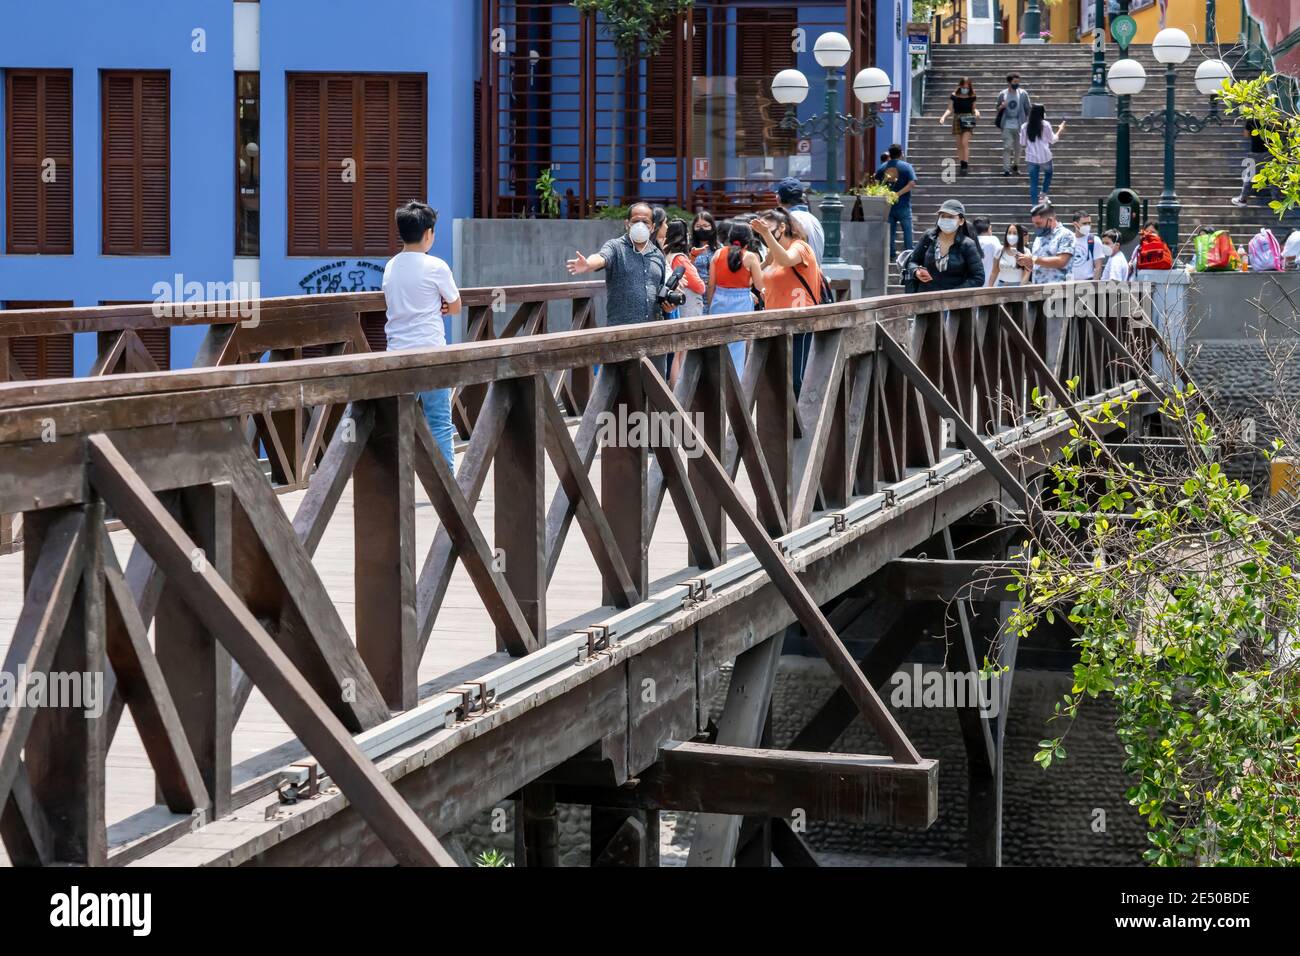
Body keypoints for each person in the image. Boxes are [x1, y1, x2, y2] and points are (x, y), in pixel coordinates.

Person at [382, 200, 462, 471]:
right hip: (431, 353)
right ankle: (447, 482)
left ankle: (395, 481)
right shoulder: (436, 266)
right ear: (428, 233)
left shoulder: (390, 266)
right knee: (439, 420)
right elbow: (455, 305)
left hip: (397, 354)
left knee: (399, 419)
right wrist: (440, 306)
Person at [566, 201, 669, 328]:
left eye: (645, 222)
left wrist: (668, 306)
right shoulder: (615, 247)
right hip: (620, 332)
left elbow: (661, 291)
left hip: (653, 331)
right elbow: (601, 257)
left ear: (653, 227)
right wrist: (588, 264)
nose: (640, 225)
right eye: (636, 221)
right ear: (627, 224)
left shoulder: (658, 255)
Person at [706, 220, 765, 373]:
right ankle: (735, 386)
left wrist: (711, 303)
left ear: (730, 237)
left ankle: (717, 382)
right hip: (741, 301)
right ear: (749, 240)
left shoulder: (718, 253)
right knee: (738, 347)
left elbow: (711, 284)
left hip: (719, 298)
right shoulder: (751, 257)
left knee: (717, 344)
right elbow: (760, 286)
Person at [907, 199, 985, 291]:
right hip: (925, 298)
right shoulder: (928, 237)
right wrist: (916, 271)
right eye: (942, 216)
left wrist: (954, 293)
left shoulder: (967, 244)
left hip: (954, 302)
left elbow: (978, 278)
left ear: (961, 221)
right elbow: (912, 262)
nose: (946, 219)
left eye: (951, 217)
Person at [753, 208, 823, 311]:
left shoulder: (800, 247)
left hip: (799, 318)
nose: (763, 232)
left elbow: (785, 260)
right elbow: (756, 281)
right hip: (775, 319)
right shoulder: (773, 253)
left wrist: (766, 233)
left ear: (782, 227)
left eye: (767, 227)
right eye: (761, 229)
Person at [1018, 200, 1075, 284]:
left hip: (1059, 291)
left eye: (1038, 223)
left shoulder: (1065, 235)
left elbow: (1061, 261)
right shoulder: (1039, 237)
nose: (1036, 226)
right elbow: (1037, 264)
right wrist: (1026, 262)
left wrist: (1033, 259)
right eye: (1034, 223)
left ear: (1050, 220)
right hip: (1038, 291)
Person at [875, 143, 916, 257]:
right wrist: (898, 194)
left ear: (890, 154)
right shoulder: (907, 166)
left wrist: (888, 194)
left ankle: (892, 255)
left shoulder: (882, 167)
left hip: (888, 205)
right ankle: (909, 255)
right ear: (901, 154)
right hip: (904, 205)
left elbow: (877, 184)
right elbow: (912, 183)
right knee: (907, 231)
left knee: (891, 232)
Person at [1021, 105, 1064, 207]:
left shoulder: (1024, 126)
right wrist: (1060, 130)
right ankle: (1043, 194)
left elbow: (1022, 142)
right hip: (1045, 156)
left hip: (1031, 157)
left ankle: (1035, 207)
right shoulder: (1045, 125)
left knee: (1033, 183)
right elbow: (1052, 140)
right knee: (1048, 174)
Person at [775, 177, 825, 262]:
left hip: (799, 273)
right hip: (813, 273)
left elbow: (782, 257)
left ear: (778, 198)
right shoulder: (814, 219)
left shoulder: (788, 220)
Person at [938, 77, 980, 175]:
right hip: (957, 118)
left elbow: (974, 108)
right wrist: (943, 117)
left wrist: (977, 112)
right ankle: (962, 164)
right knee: (959, 144)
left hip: (968, 118)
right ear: (960, 85)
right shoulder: (954, 95)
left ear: (969, 86)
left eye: (967, 86)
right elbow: (949, 109)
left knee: (964, 142)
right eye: (963, 85)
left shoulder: (972, 95)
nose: (965, 87)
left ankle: (965, 165)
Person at [1232, 118, 1274, 208]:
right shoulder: (1270, 117)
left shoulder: (1251, 120)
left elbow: (1246, 135)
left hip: (1256, 152)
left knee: (1250, 175)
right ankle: (1277, 201)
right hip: (1270, 152)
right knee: (1273, 177)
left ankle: (1242, 199)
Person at [996, 73, 1032, 176]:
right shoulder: (1003, 94)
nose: (1017, 84)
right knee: (1007, 147)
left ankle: (1015, 166)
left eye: (1018, 82)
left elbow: (1028, 109)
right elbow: (997, 108)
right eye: (1015, 82)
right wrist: (1002, 106)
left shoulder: (1023, 94)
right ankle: (1006, 169)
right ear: (1009, 82)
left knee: (1018, 148)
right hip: (1007, 123)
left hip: (1020, 124)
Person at [687, 211, 720, 315]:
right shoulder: (688, 248)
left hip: (717, 292)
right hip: (695, 293)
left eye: (706, 226)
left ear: (712, 227)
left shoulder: (719, 248)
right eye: (698, 226)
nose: (702, 229)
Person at [1068, 210, 1105, 281]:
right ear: (1075, 224)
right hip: (1069, 282)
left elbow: (1098, 267)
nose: (1087, 226)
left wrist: (1093, 286)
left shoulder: (1095, 240)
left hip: (1086, 283)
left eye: (1089, 223)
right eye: (1084, 223)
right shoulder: (1068, 239)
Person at [989, 222, 1027, 287]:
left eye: (1015, 233)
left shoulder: (1026, 252)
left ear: (1019, 235)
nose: (1011, 235)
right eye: (1009, 233)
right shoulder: (999, 250)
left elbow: (1026, 274)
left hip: (1018, 287)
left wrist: (1020, 289)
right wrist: (989, 287)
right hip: (1001, 285)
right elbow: (994, 271)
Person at [973, 217, 1001, 286]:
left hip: (975, 283)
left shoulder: (971, 241)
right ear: (989, 228)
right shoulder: (994, 240)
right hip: (992, 283)